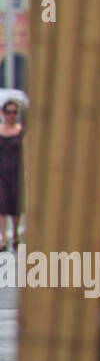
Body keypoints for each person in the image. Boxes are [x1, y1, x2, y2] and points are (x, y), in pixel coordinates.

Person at [0, 100, 22, 251]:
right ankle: (4, 239)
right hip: (1, 172)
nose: (12, 115)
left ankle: (15, 235)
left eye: (15, 112)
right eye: (9, 112)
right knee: (1, 205)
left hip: (17, 172)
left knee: (15, 206)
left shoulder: (22, 130)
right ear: (3, 113)